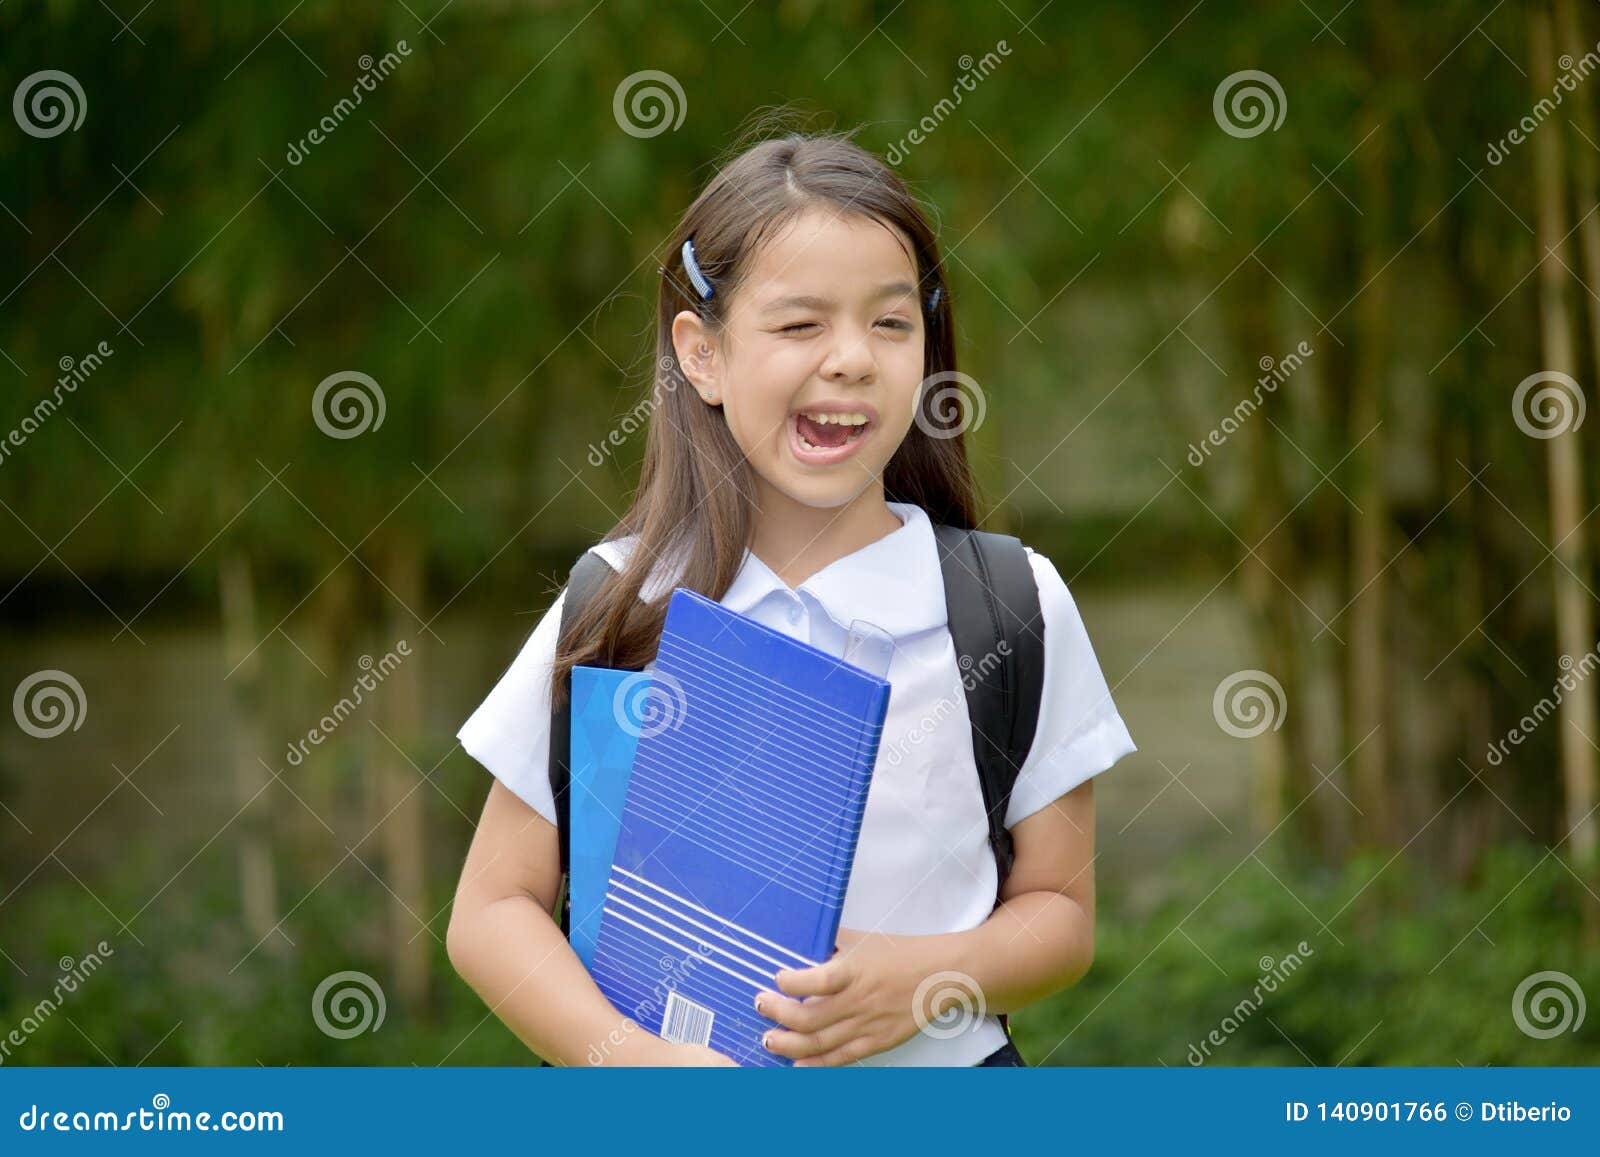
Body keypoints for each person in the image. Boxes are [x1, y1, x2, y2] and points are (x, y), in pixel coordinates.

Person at [445, 130, 1136, 1067]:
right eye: (801, 324)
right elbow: (491, 910)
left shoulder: (1008, 602)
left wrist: (927, 976)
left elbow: (1059, 913)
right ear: (703, 355)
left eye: (891, 323)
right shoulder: (619, 603)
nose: (851, 359)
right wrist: (631, 1060)